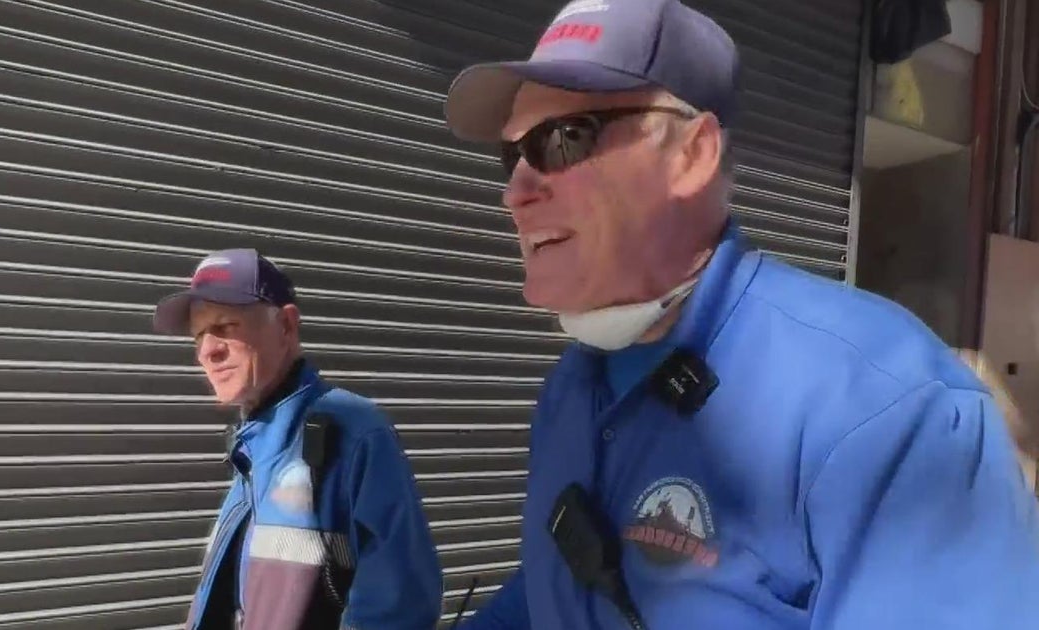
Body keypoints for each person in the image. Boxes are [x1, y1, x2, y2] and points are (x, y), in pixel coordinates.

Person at [442, 0, 1039, 628]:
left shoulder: (888, 411)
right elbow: (553, 589)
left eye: (562, 139)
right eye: (512, 156)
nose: (515, 192)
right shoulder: (571, 389)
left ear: (692, 154)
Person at [153, 248, 443, 630]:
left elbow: (398, 610)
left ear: (286, 326)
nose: (208, 351)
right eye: (199, 336)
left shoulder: (354, 434)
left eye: (225, 326)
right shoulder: (252, 450)